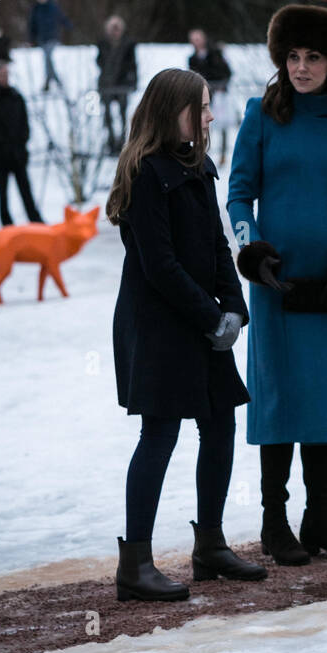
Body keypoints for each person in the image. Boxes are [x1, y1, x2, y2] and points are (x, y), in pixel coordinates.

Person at [227, 5, 327, 564]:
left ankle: (319, 518)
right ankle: (275, 524)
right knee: (281, 399)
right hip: (279, 285)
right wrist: (253, 249)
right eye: (292, 56)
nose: (301, 67)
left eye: (313, 57)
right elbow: (239, 192)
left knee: (326, 399)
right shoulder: (261, 114)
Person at [107, 68, 264, 601]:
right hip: (159, 328)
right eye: (201, 107)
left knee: (220, 424)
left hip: (203, 323)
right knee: (160, 435)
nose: (210, 116)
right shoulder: (146, 174)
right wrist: (210, 317)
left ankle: (210, 545)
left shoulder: (195, 164)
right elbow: (160, 265)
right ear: (172, 109)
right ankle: (135, 564)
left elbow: (217, 246)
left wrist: (236, 307)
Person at [0, 61, 43, 226]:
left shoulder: (15, 95)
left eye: (6, 74)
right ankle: (6, 222)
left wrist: (22, 140)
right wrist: (4, 142)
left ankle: (35, 220)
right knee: (3, 191)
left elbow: (24, 121)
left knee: (25, 189)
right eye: (1, 75)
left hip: (18, 151)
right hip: (0, 153)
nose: (5, 78)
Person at [188, 29, 233, 164]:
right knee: (204, 122)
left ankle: (223, 154)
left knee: (222, 124)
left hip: (220, 94)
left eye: (198, 39)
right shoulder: (192, 58)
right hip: (204, 95)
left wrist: (221, 86)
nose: (196, 42)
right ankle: (203, 151)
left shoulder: (216, 53)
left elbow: (227, 72)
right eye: (193, 40)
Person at [97, 15, 138, 155]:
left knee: (122, 114)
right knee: (107, 115)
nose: (115, 32)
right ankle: (111, 141)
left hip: (122, 84)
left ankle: (122, 142)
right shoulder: (103, 43)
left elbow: (133, 65)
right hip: (106, 85)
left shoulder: (128, 43)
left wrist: (132, 82)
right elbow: (100, 62)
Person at [29, 0, 72, 92]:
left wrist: (69, 25)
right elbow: (32, 24)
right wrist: (31, 38)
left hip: (52, 37)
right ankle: (52, 81)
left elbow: (61, 17)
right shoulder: (36, 8)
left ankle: (51, 82)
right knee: (47, 59)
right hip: (42, 38)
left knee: (47, 57)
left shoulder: (53, 6)